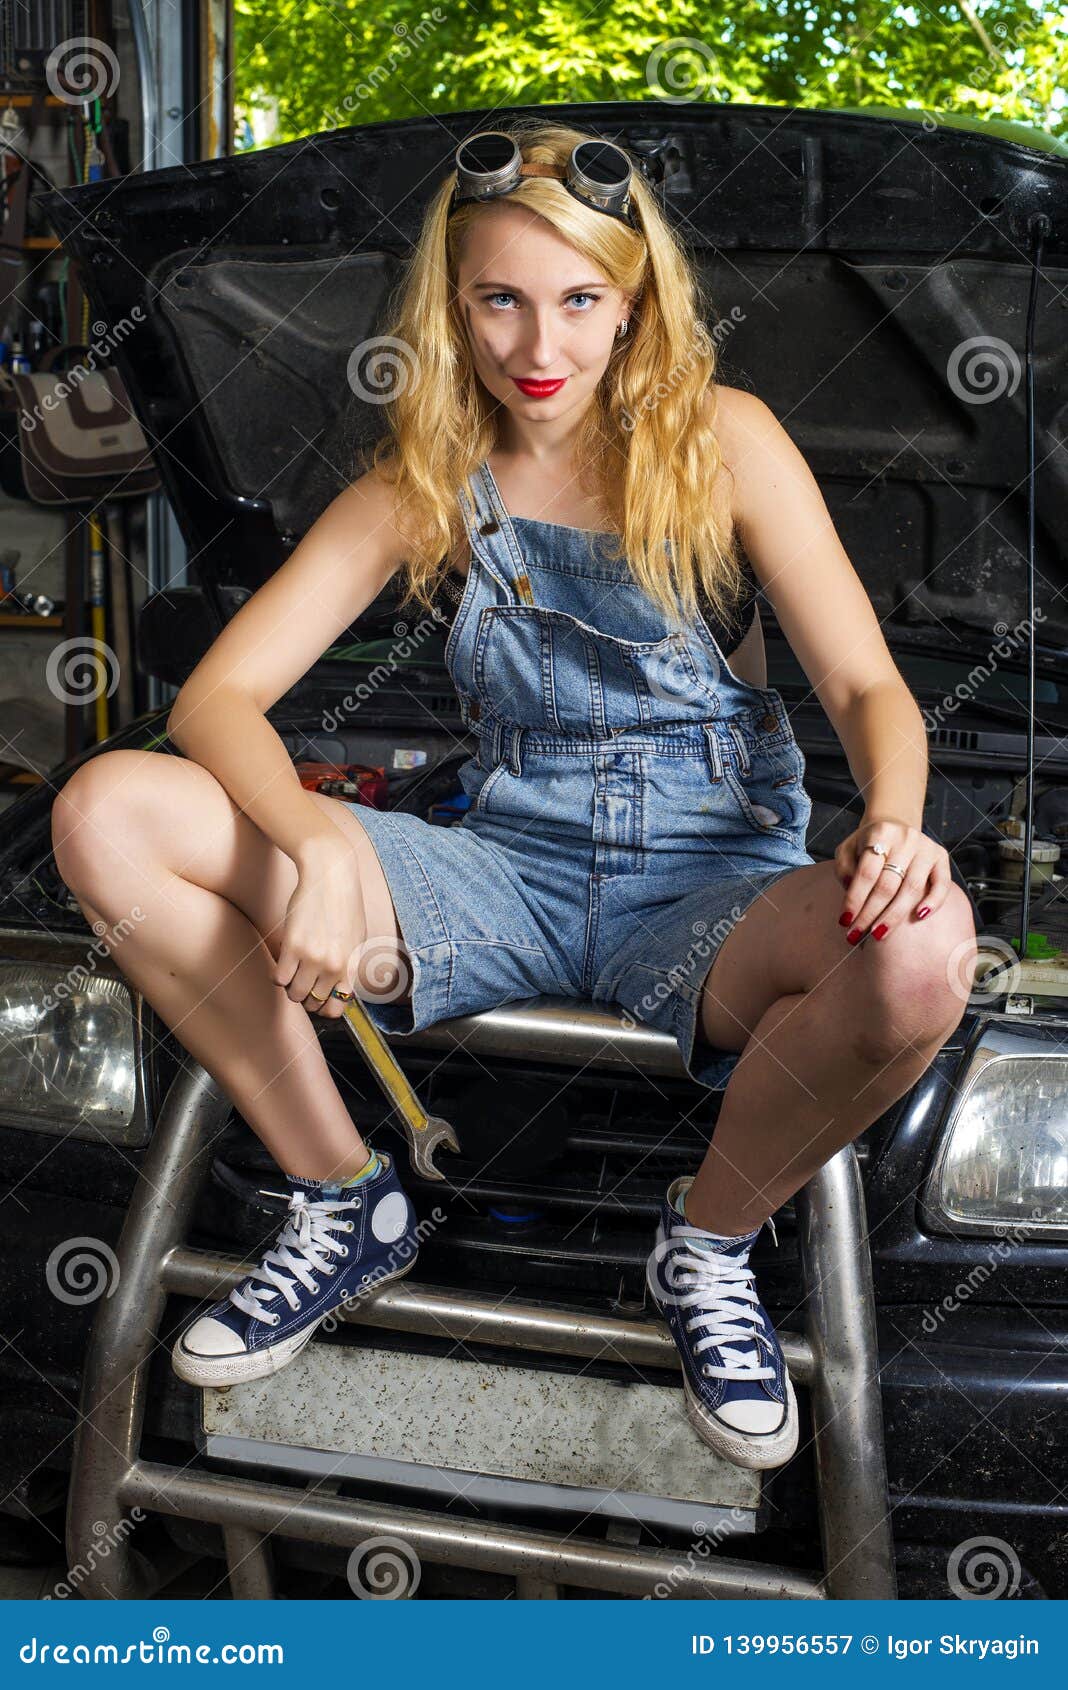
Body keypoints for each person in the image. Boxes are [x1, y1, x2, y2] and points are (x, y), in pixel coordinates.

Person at [51, 120, 978, 1470]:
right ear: (454, 304)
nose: (540, 346)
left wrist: (895, 817)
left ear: (634, 302)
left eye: (580, 301)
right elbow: (214, 702)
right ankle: (343, 1198)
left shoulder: (724, 444)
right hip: (499, 875)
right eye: (500, 299)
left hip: (711, 890)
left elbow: (866, 687)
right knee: (105, 810)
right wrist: (308, 837)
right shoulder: (428, 481)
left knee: (926, 955)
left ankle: (707, 1243)